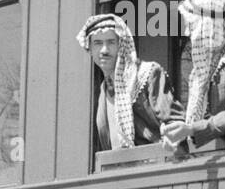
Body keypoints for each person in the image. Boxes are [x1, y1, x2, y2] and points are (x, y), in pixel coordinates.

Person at [76, 13, 177, 151]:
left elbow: (174, 125)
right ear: (90, 49)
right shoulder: (103, 89)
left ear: (121, 45)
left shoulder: (147, 73)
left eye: (111, 42)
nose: (104, 50)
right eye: (97, 43)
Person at [163, 0, 225, 150]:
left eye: (191, 24)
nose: (187, 32)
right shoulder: (199, 71)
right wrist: (177, 135)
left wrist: (192, 130)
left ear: (207, 24)